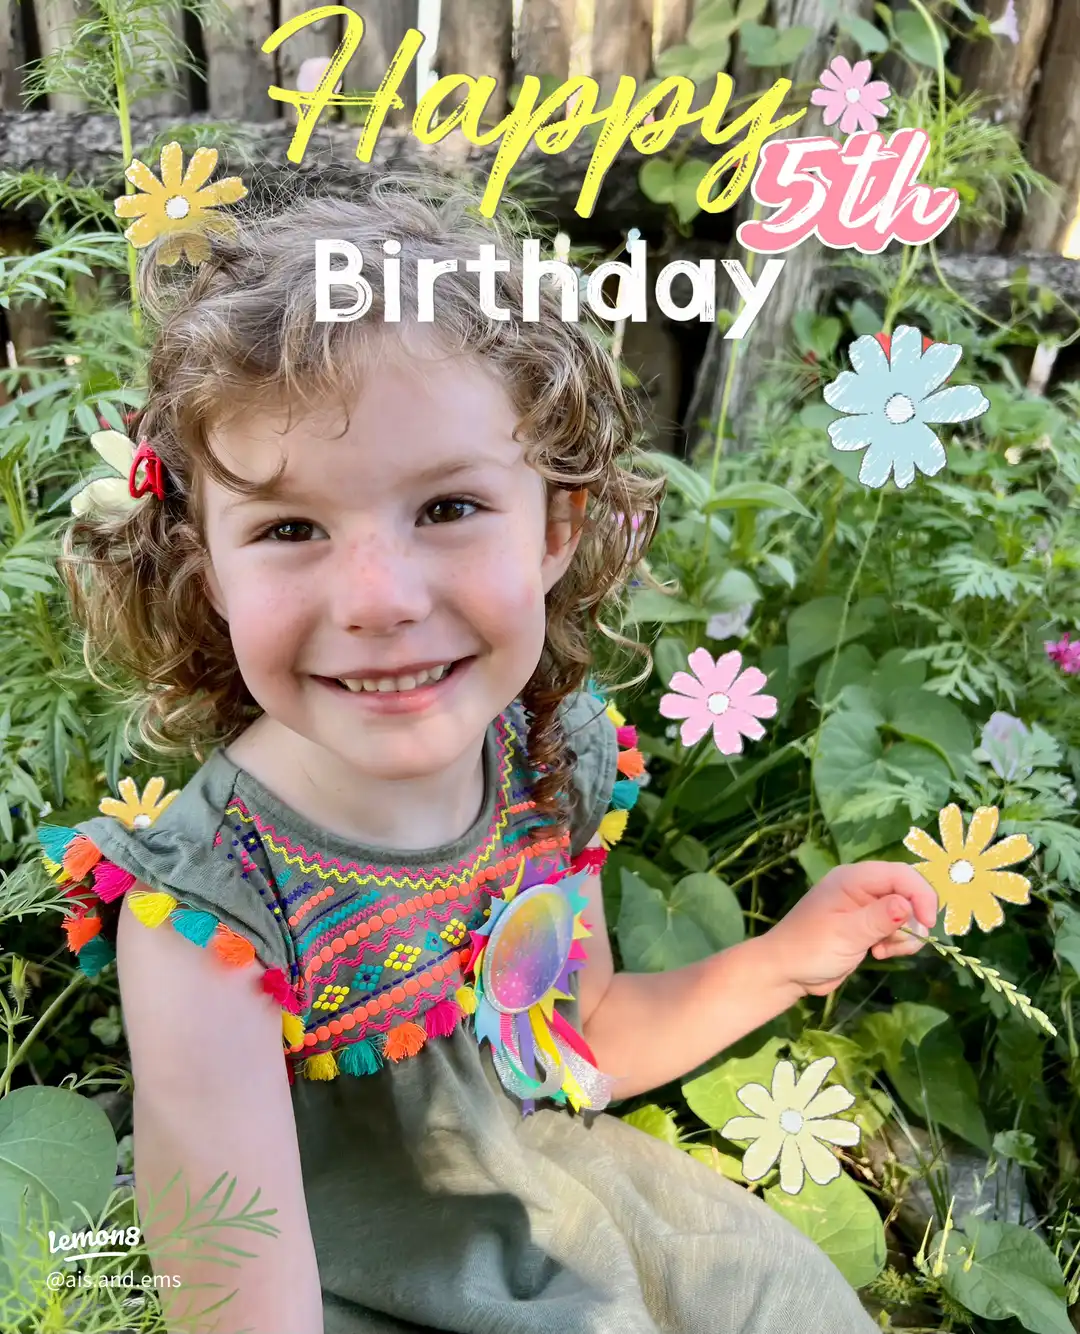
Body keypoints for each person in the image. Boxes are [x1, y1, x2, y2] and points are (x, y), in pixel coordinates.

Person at [40, 174, 937, 1334]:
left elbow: (580, 1042)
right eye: (290, 527)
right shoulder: (211, 916)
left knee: (784, 1300)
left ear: (556, 526)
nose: (379, 598)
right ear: (208, 573)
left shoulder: (545, 755)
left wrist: (781, 959)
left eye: (448, 507)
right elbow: (241, 1297)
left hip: (547, 1194)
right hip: (336, 1278)